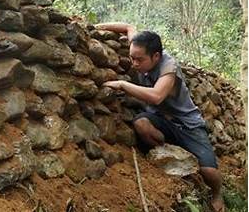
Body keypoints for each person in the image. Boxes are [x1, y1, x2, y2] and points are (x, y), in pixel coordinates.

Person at [95, 22, 224, 212]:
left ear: (156, 56)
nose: (134, 63)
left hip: (188, 125)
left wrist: (123, 84)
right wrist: (94, 26)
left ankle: (217, 194)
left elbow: (156, 96)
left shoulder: (168, 67)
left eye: (139, 60)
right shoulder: (141, 48)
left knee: (209, 171)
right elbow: (129, 27)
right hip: (161, 121)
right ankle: (169, 153)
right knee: (141, 124)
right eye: (132, 58)